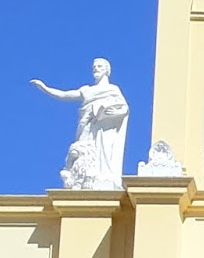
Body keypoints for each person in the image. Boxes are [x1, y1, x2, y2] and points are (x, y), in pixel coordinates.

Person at [30, 59, 129, 191]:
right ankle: (77, 177)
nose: (96, 69)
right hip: (87, 127)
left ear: (106, 70)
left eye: (99, 66)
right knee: (81, 150)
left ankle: (100, 176)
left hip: (104, 127)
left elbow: (123, 108)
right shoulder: (86, 90)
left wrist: (107, 112)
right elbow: (65, 95)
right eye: (94, 67)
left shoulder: (113, 89)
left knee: (103, 150)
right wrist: (45, 88)